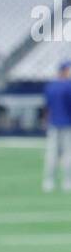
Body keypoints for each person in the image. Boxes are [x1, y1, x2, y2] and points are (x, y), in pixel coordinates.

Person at [42, 59, 71, 192]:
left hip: (53, 123)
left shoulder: (51, 86)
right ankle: (67, 181)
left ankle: (49, 181)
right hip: (67, 124)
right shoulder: (68, 86)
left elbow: (47, 108)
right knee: (68, 154)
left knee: (52, 154)